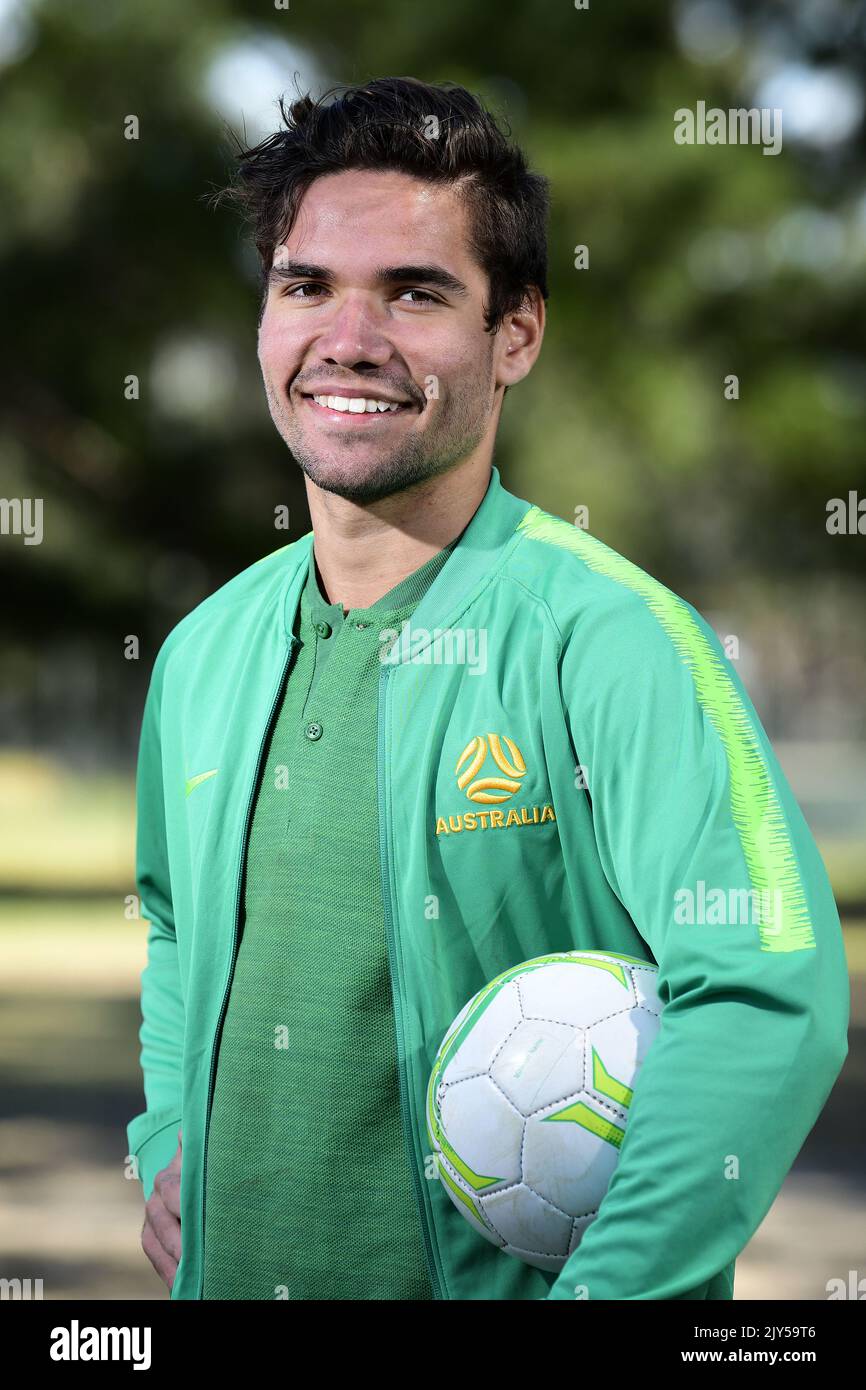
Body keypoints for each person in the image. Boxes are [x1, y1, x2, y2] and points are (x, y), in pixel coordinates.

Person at [127, 76, 848, 1301]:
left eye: (414, 291)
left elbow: (764, 992)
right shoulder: (203, 650)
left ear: (515, 332)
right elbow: (172, 923)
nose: (347, 339)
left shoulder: (613, 637)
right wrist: (166, 1134)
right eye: (305, 285)